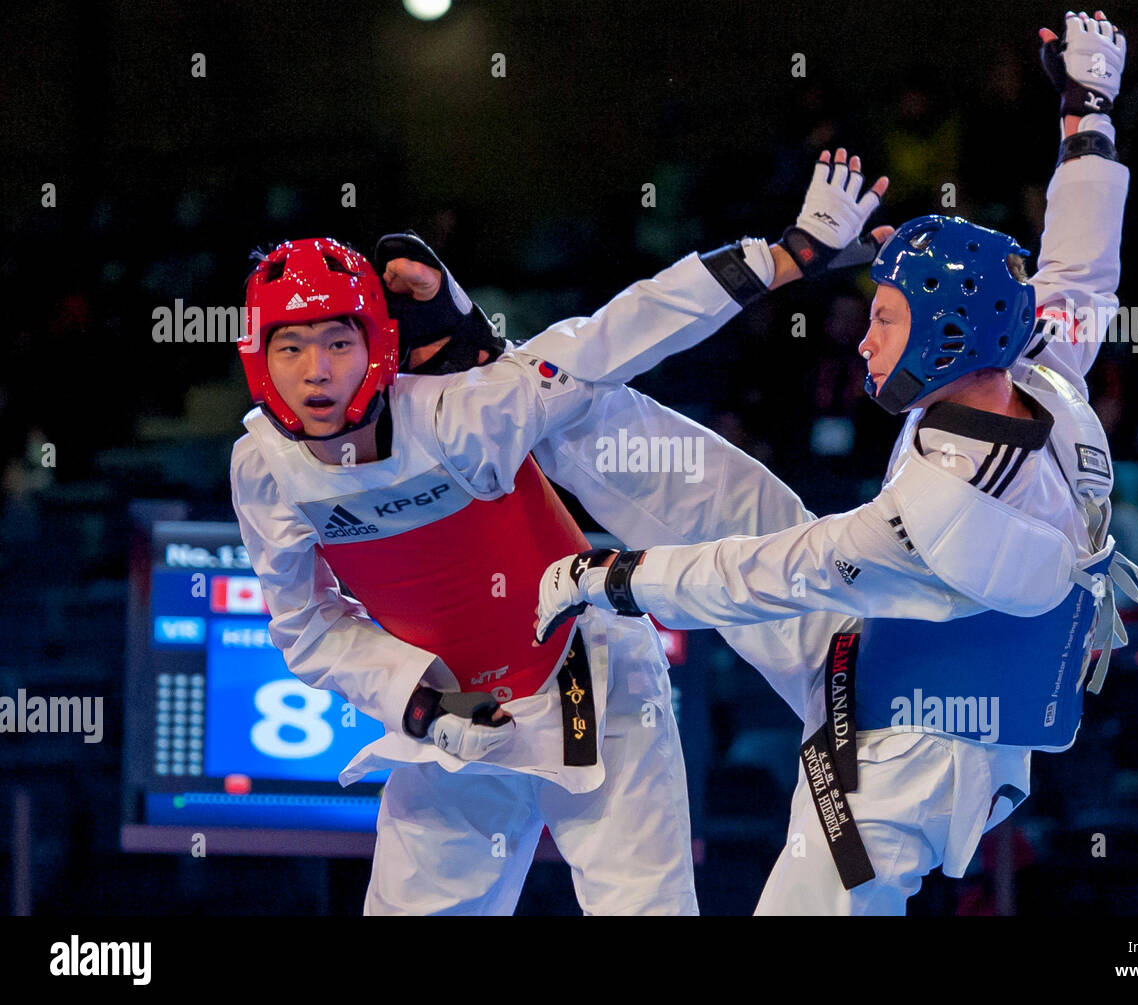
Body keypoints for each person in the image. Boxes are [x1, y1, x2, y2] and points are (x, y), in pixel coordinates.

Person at [534, 10, 1138, 915]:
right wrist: (1087, 105)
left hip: (917, 749)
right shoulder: (1038, 365)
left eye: (886, 315)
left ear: (950, 335)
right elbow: (1080, 264)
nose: (863, 336)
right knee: (713, 488)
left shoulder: (946, 507)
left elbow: (772, 573)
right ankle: (544, 396)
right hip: (885, 639)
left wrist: (617, 576)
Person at [229, 159, 889, 914]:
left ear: (374, 344)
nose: (316, 372)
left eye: (336, 344)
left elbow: (610, 339)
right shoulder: (263, 470)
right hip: (455, 722)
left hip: (592, 684)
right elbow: (308, 627)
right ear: (258, 357)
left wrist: (783, 258)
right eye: (291, 347)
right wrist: (424, 707)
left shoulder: (460, 416)